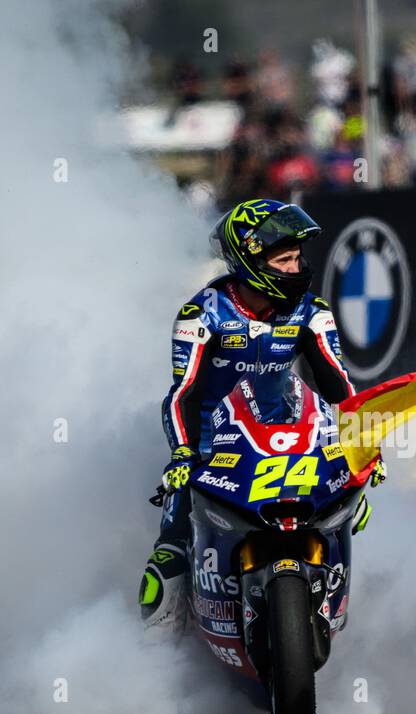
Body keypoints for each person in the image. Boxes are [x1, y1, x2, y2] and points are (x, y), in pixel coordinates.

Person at [139, 199, 363, 626]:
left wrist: (358, 454)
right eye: (284, 259)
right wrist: (183, 457)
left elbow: (340, 388)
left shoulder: (312, 313)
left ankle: (326, 612)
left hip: (292, 443)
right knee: (168, 557)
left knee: (343, 517)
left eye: (298, 258)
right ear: (250, 259)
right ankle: (155, 667)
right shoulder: (201, 315)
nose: (296, 268)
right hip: (213, 454)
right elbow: (182, 394)